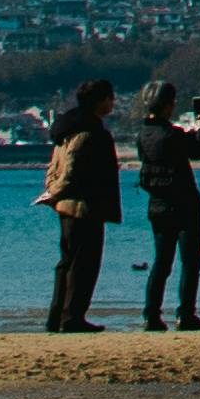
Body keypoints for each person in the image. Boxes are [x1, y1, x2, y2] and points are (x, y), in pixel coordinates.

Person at [38, 82, 122, 335]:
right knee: (83, 265)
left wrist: (52, 190)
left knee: (67, 261)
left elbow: (55, 166)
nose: (113, 103)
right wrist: (56, 190)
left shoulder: (67, 130)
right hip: (85, 206)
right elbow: (72, 169)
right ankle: (72, 317)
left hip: (66, 207)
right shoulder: (89, 132)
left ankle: (58, 315)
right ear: (99, 101)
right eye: (110, 98)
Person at [137, 83, 200, 331]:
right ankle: (185, 314)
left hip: (158, 205)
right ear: (168, 105)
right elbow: (198, 151)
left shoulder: (144, 135)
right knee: (190, 263)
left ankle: (151, 314)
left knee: (161, 263)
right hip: (185, 205)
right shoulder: (171, 134)